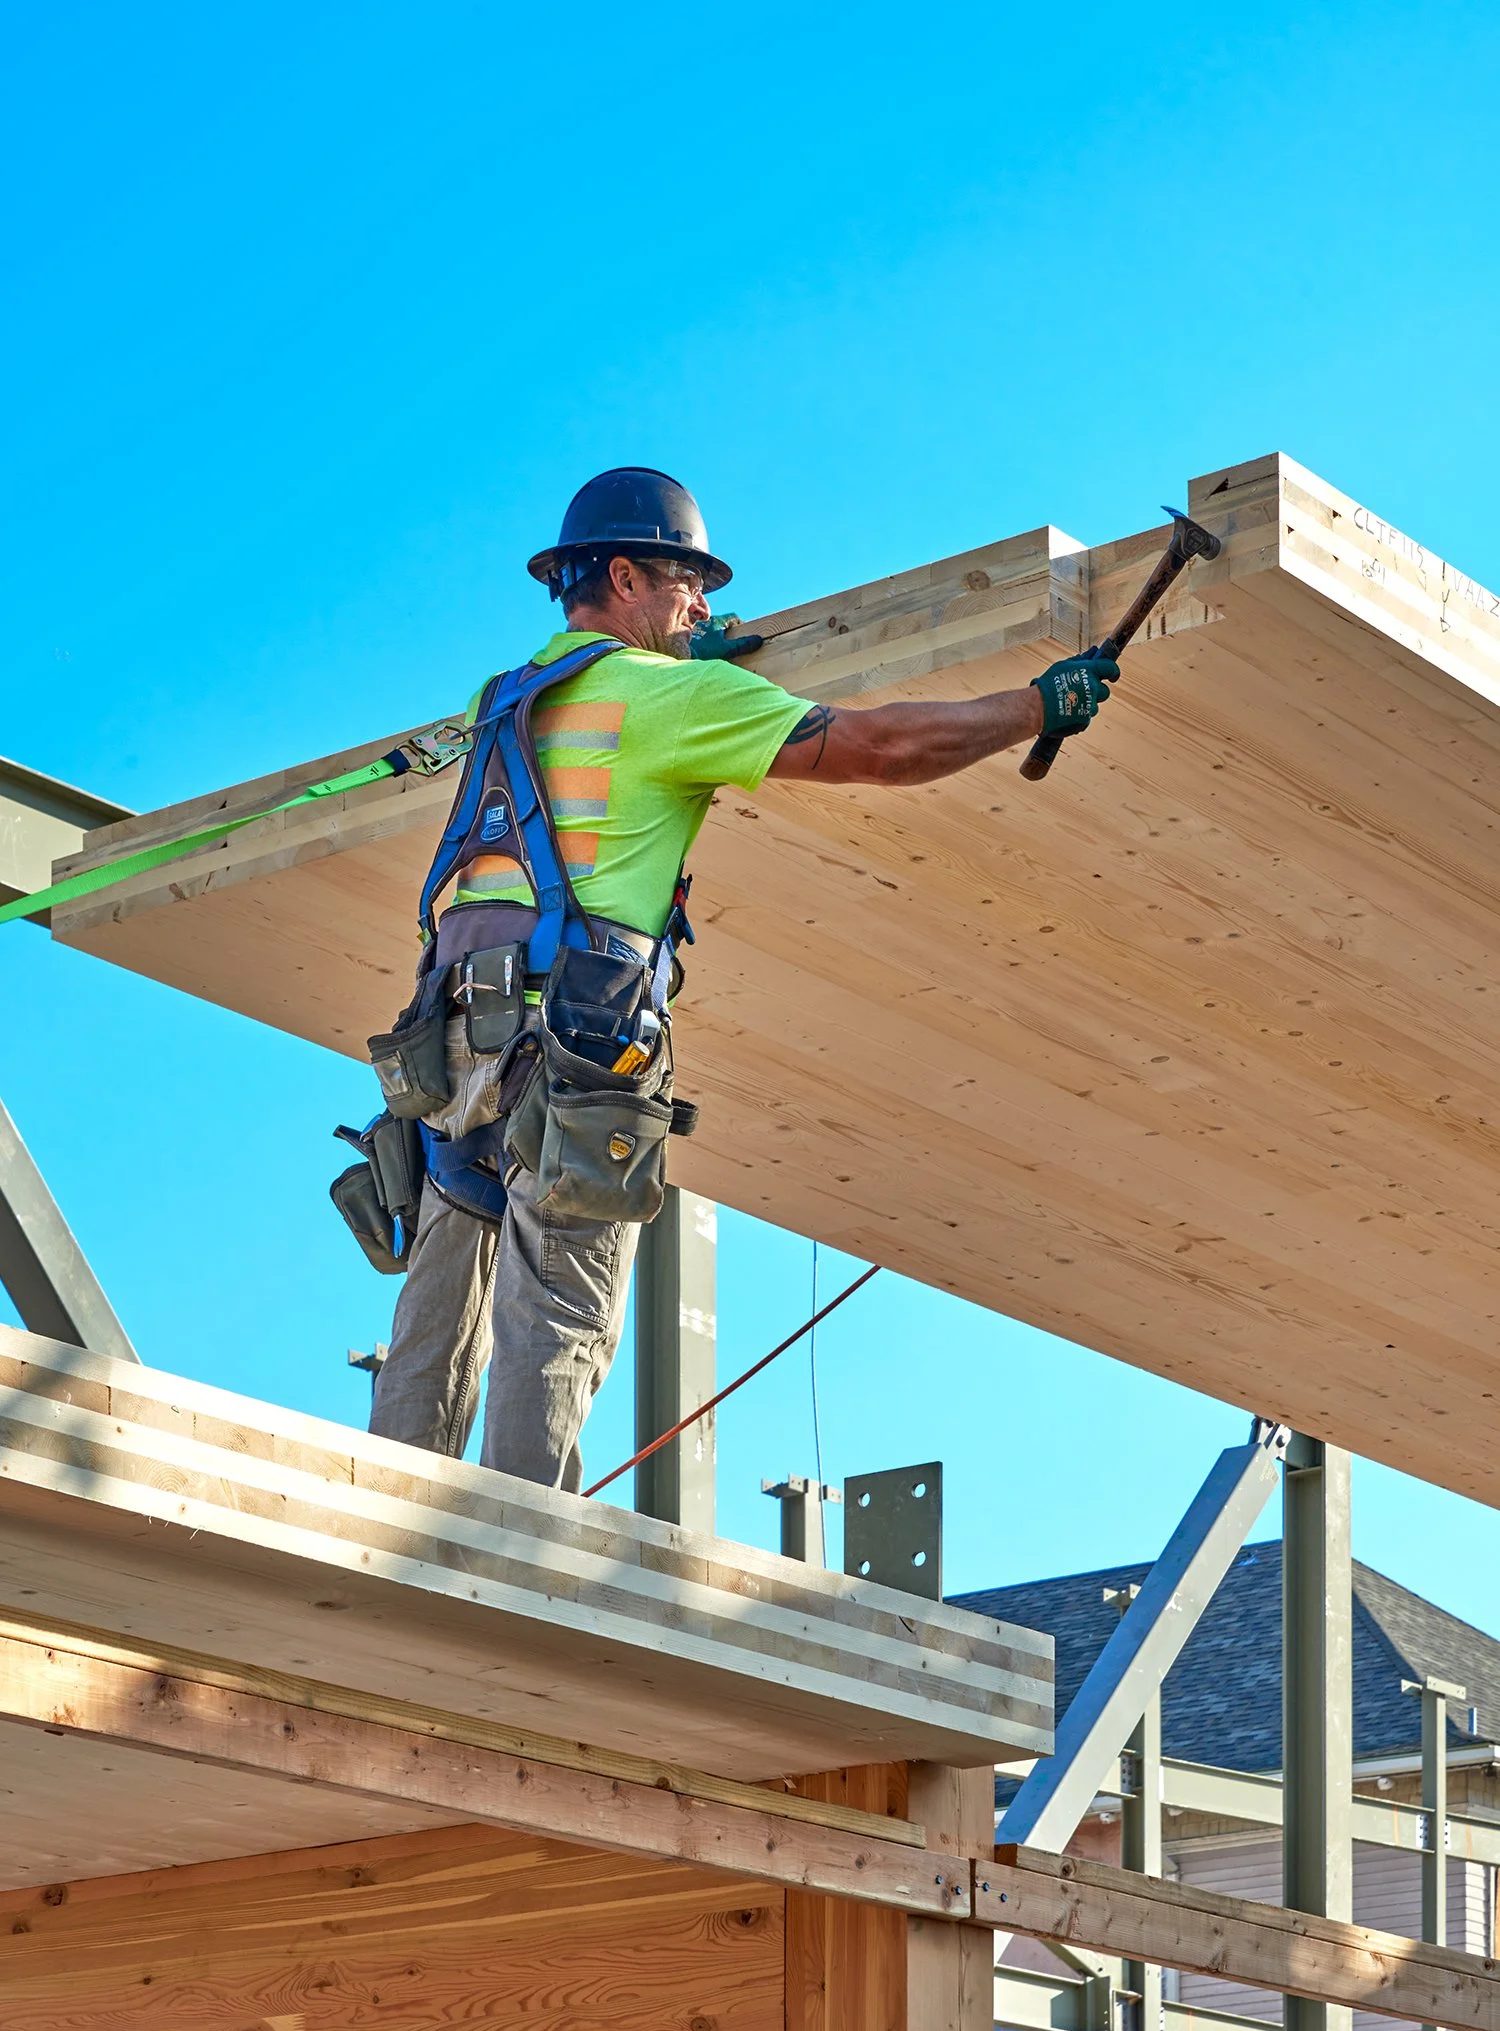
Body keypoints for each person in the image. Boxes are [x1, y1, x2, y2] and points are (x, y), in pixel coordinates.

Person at [369, 467, 1117, 1487]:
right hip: (577, 1051)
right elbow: (885, 748)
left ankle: (384, 1533)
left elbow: (596, 733)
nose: (705, 607)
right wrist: (1033, 706)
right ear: (626, 576)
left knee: (437, 1314)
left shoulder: (500, 702)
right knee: (558, 1314)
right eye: (687, 584)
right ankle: (517, 1560)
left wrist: (683, 657)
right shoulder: (675, 700)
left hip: (455, 1048)